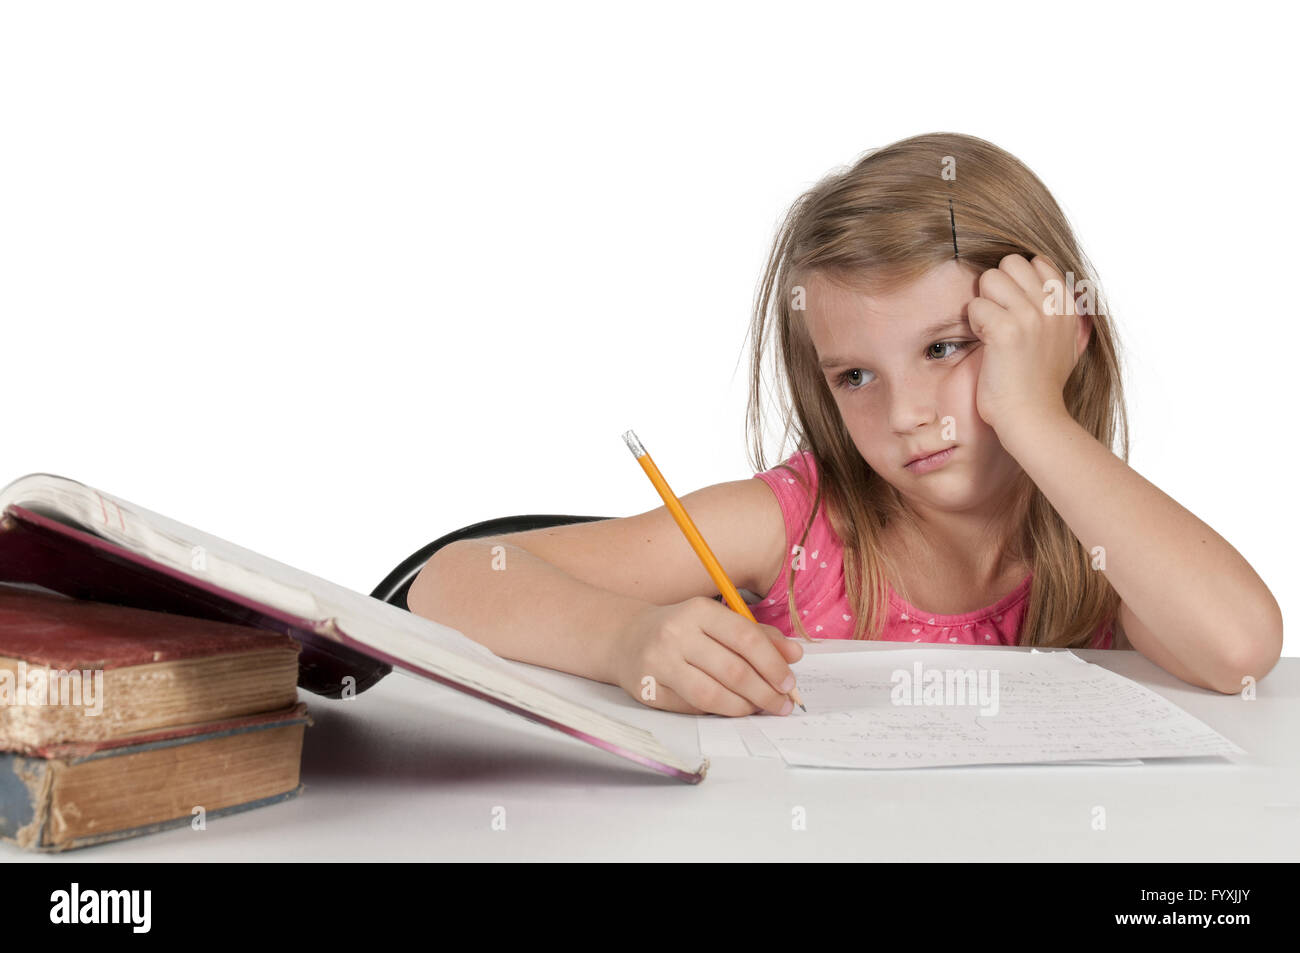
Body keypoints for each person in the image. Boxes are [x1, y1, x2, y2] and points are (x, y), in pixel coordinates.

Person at [408, 131, 1283, 718]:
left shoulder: (1103, 549)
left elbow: (1241, 649)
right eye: (856, 375)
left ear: (1055, 332)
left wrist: (1032, 413)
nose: (904, 414)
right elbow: (449, 582)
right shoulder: (797, 528)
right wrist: (623, 638)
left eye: (947, 346)